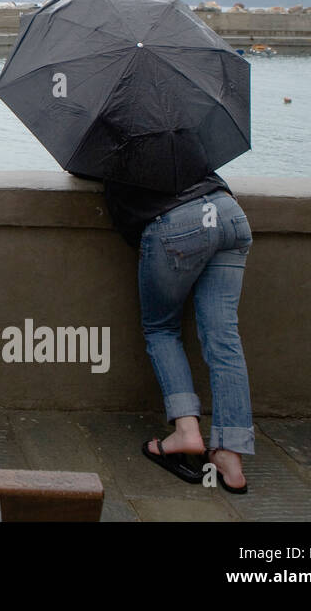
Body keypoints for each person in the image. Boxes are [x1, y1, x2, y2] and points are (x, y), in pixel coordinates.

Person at [104, 170, 254, 493]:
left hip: (177, 226)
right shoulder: (182, 125)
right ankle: (230, 454)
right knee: (223, 335)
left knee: (160, 328)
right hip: (228, 214)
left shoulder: (118, 149)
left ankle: (187, 430)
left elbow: (129, 222)